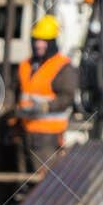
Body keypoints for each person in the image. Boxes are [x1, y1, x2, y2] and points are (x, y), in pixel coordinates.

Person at [16, 14, 77, 171]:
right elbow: (16, 90)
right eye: (36, 40)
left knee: (44, 180)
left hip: (48, 136)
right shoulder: (26, 65)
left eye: (43, 41)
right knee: (23, 180)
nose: (39, 45)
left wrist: (46, 106)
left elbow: (67, 97)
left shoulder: (63, 67)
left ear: (52, 42)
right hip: (25, 131)